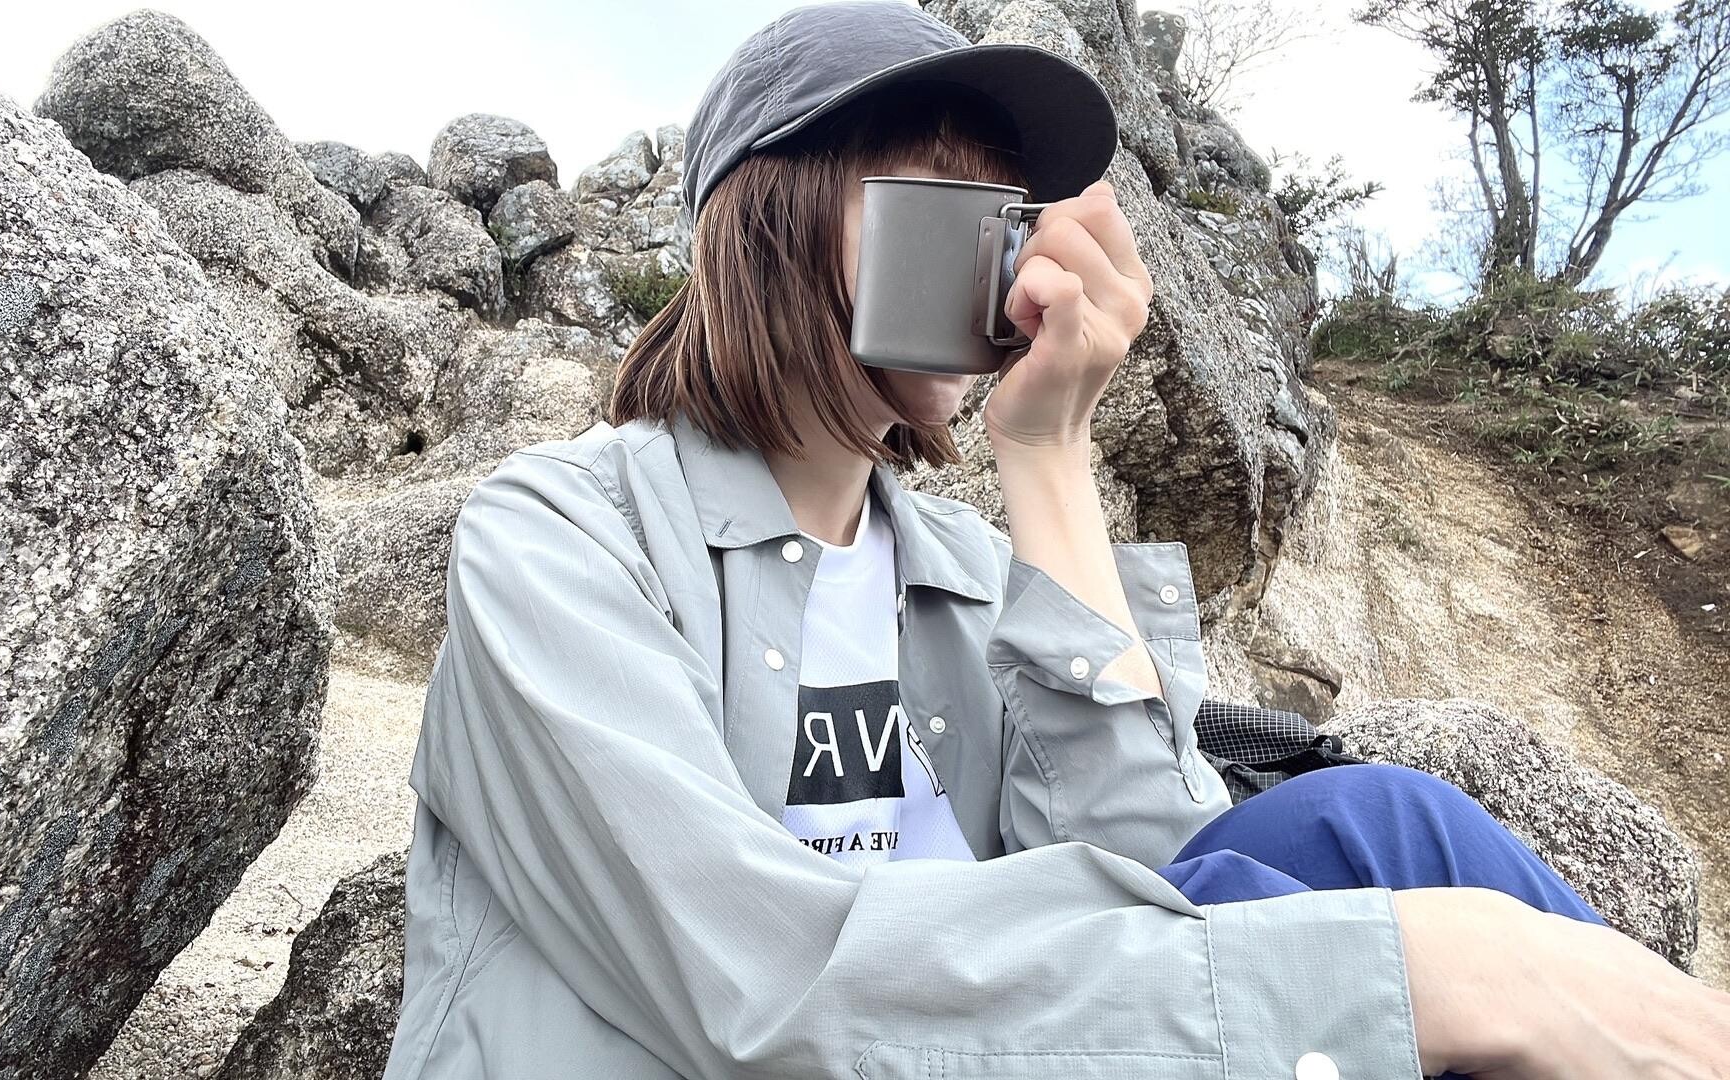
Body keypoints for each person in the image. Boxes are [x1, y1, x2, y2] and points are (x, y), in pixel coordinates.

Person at [379, 4, 1730, 1078]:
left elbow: (1173, 858)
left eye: (1013, 217)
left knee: (1374, 821)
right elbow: (762, 991)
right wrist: (1439, 980)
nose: (1012, 270)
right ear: (769, 218)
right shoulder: (561, 538)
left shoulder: (956, 575)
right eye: (948, 207)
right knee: (1426, 950)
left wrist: (1046, 451)